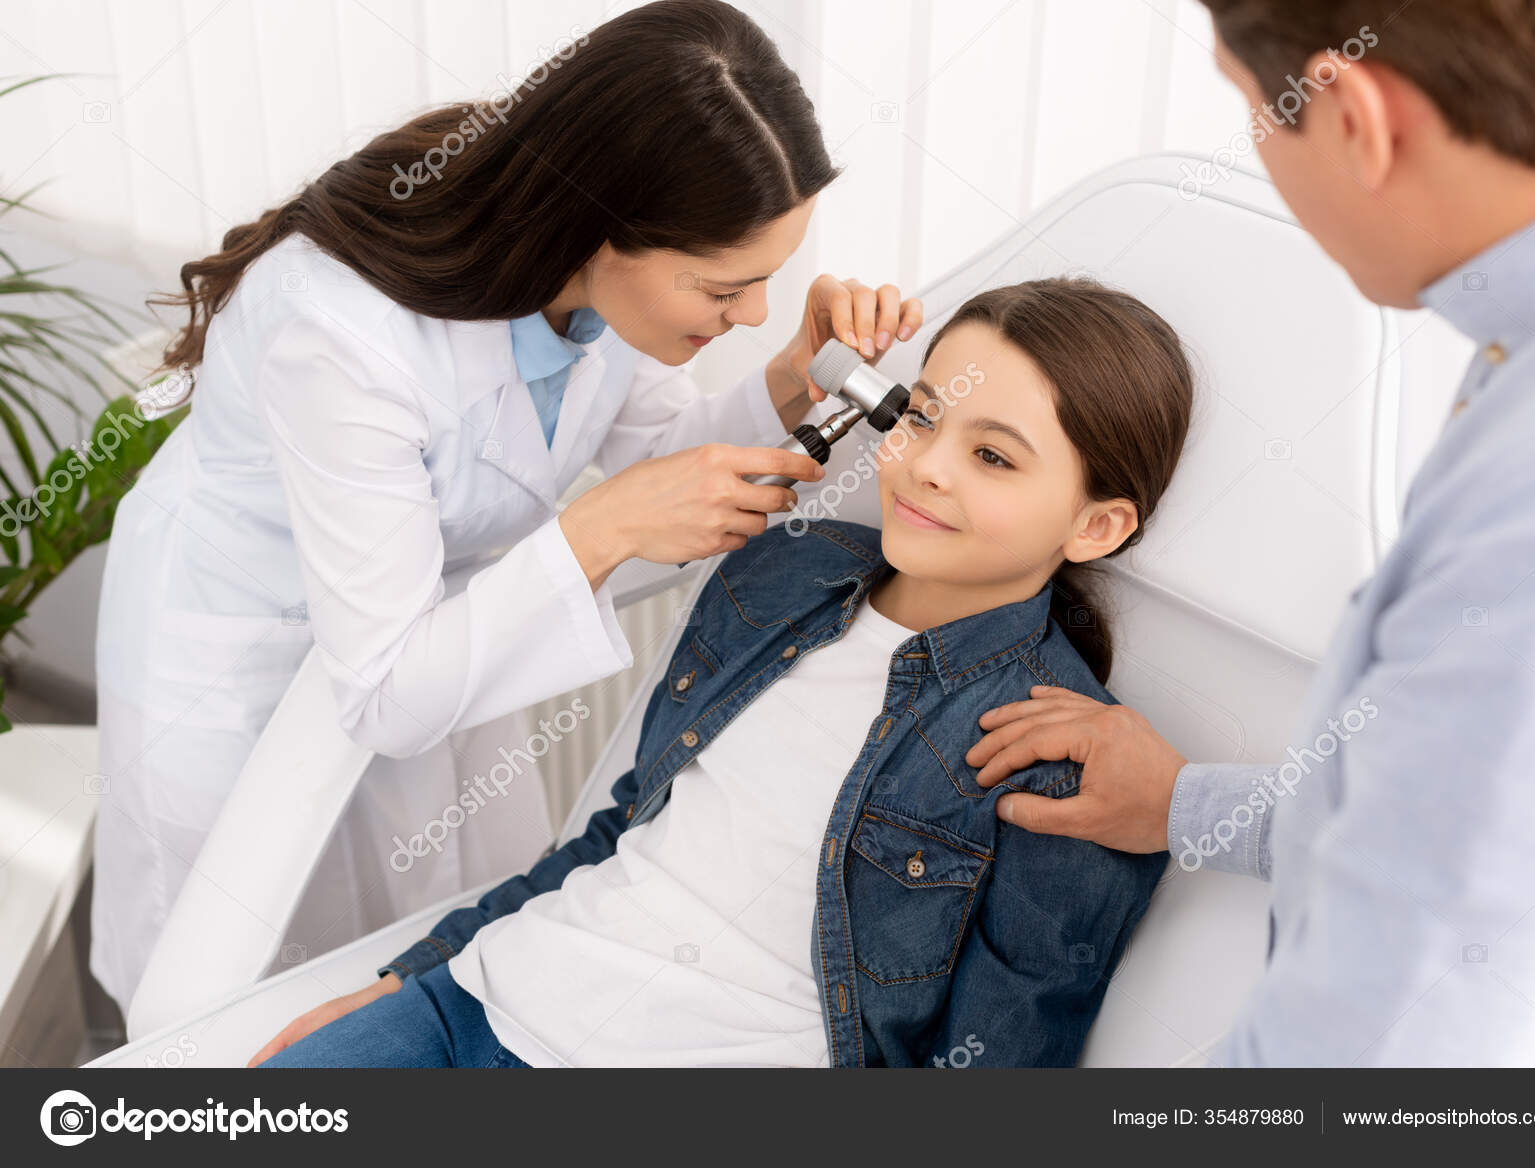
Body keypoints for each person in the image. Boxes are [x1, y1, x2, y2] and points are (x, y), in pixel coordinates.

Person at [90, 0, 924, 1019]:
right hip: (246, 646)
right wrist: (602, 528)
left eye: (766, 286)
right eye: (724, 288)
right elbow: (388, 688)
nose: (750, 314)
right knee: (227, 997)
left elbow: (650, 444)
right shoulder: (340, 333)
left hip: (435, 630)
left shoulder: (583, 283)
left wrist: (794, 377)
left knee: (418, 955)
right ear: (603, 231)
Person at [249, 276, 1194, 1068]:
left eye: (992, 455)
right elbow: (628, 831)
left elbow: (1000, 1060)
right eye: (924, 415)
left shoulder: (1065, 759)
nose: (925, 466)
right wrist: (412, 978)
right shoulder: (780, 573)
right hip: (479, 1005)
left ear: (1097, 524)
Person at [967, 0, 1535, 1065]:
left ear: (1352, 115)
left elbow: (1391, 1048)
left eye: (1253, 105)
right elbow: (1475, 812)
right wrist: (1192, 804)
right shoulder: (1530, 361)